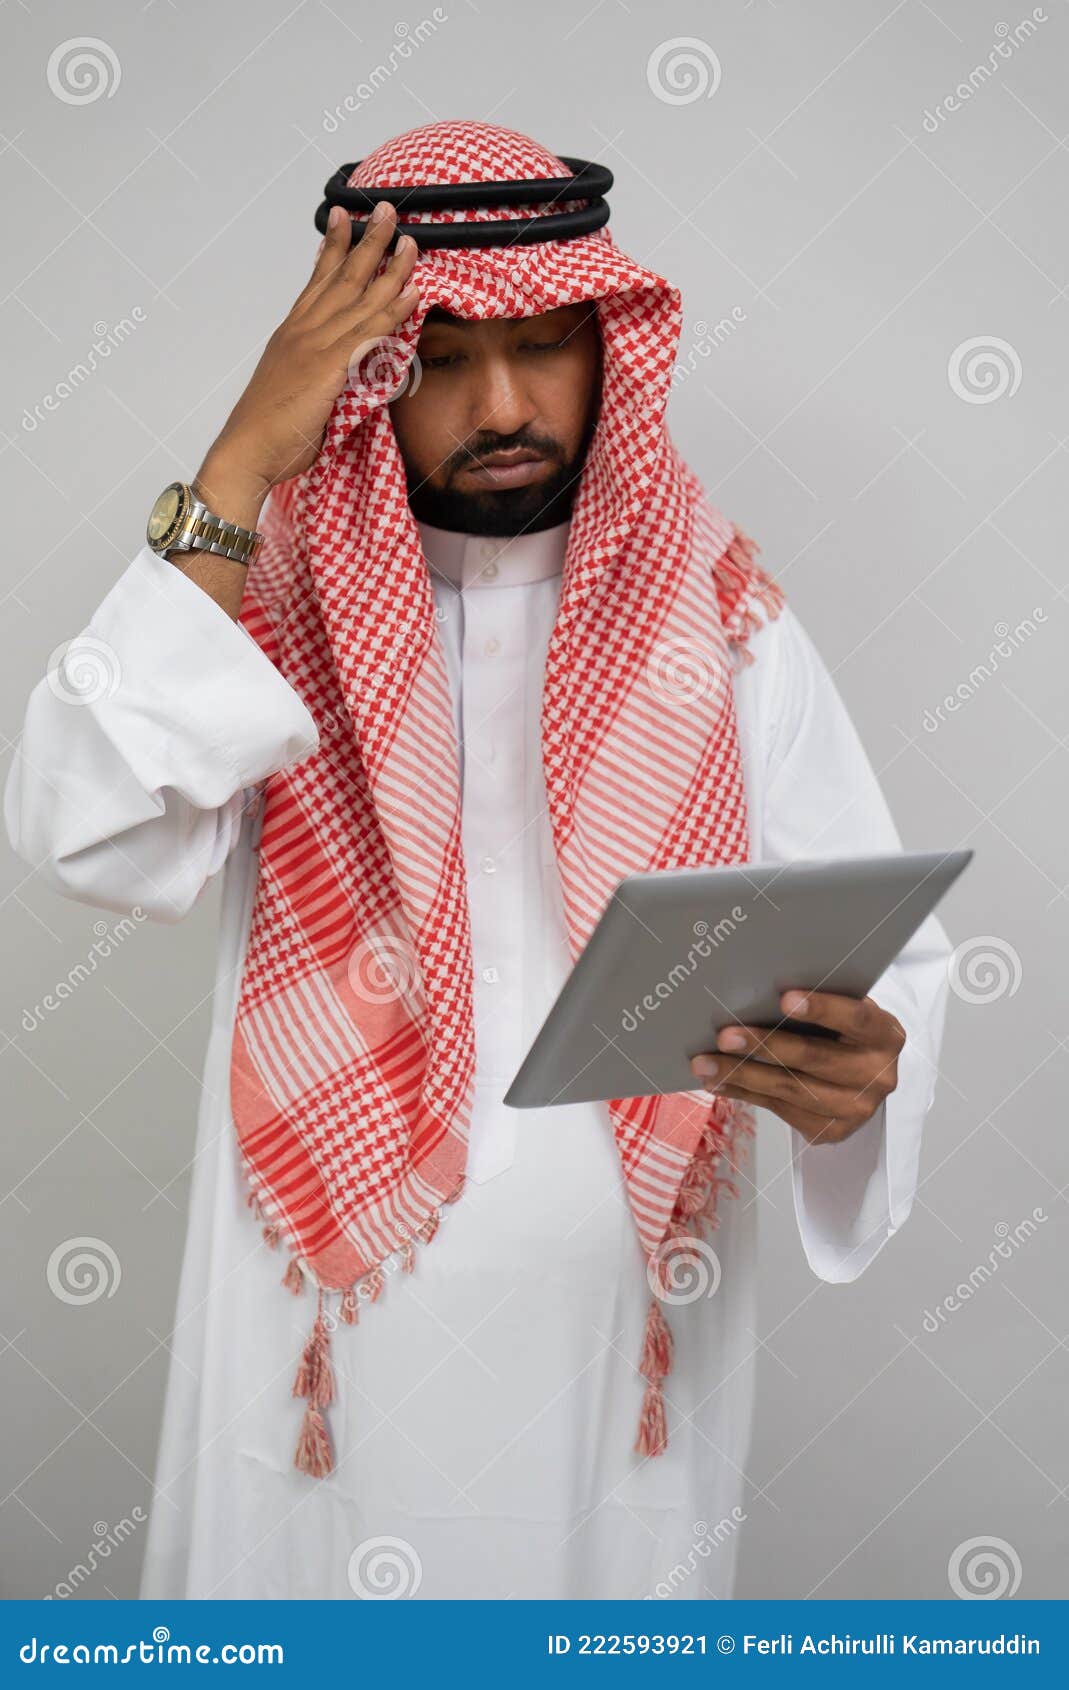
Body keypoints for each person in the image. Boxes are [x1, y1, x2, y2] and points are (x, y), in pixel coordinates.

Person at [4, 120, 951, 1601]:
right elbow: (86, 830)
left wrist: (860, 1077)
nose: (502, 405)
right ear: (362, 372)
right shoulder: (261, 605)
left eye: (545, 346)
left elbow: (878, 953)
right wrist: (244, 458)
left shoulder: (714, 608)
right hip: (322, 1320)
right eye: (440, 359)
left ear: (609, 344)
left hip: (626, 1318)